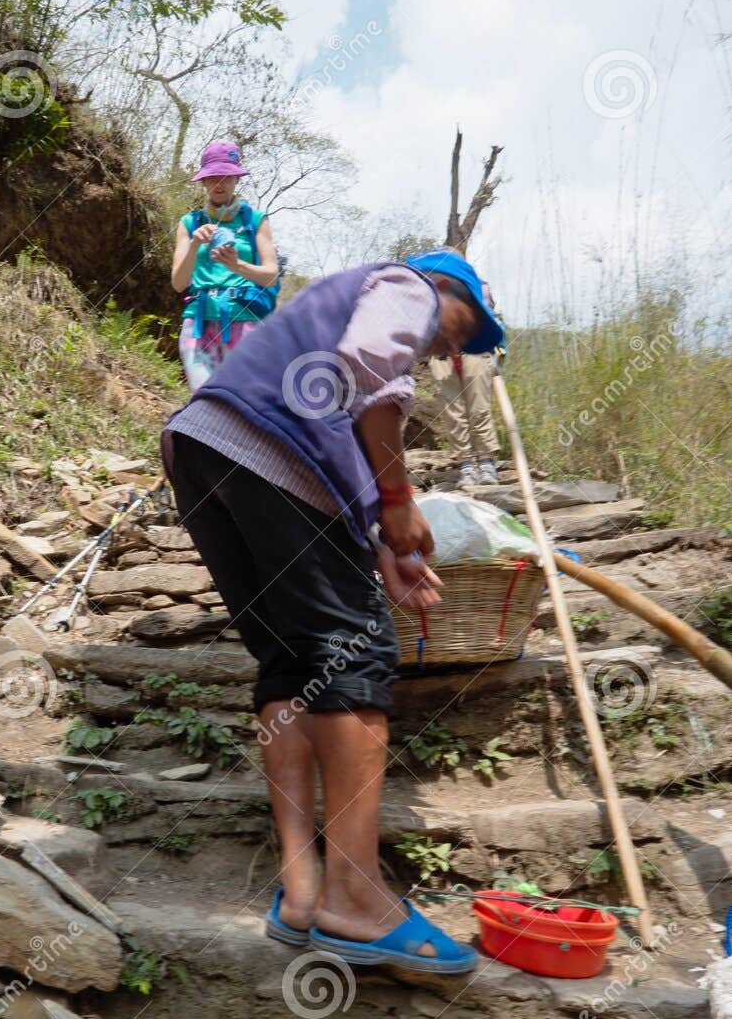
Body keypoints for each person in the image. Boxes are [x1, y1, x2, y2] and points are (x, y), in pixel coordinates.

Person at [160, 248, 505, 974]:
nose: (448, 348)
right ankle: (356, 896)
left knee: (291, 662)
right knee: (354, 651)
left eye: (459, 348)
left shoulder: (326, 307)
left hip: (207, 447)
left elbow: (336, 424)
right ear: (443, 287)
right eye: (459, 326)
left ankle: (303, 891)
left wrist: (376, 536)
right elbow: (370, 369)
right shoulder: (405, 284)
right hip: (272, 452)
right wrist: (399, 502)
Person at [169, 141, 281, 390]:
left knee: (239, 402)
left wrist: (237, 265)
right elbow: (178, 283)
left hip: (246, 321)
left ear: (236, 179)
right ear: (204, 181)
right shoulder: (189, 223)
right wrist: (195, 244)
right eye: (212, 177)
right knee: (204, 397)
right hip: (198, 325)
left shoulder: (255, 220)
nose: (219, 183)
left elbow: (271, 276)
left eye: (226, 176)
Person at [428, 276, 504, 485]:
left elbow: (492, 318)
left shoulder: (478, 286)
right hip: (442, 354)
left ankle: (487, 463)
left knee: (479, 408)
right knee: (453, 410)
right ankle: (466, 466)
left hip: (475, 351)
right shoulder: (429, 286)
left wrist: (500, 349)